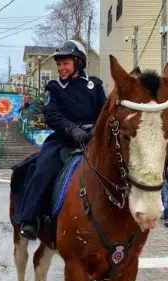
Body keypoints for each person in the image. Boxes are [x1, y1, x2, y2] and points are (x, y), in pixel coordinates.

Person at [16, 40, 107, 240]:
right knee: (43, 169)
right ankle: (30, 219)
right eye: (59, 64)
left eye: (65, 63)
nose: (61, 68)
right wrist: (72, 129)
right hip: (63, 139)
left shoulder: (95, 85)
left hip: (92, 139)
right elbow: (52, 115)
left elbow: (105, 113)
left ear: (78, 63)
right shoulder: (54, 87)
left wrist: (95, 130)